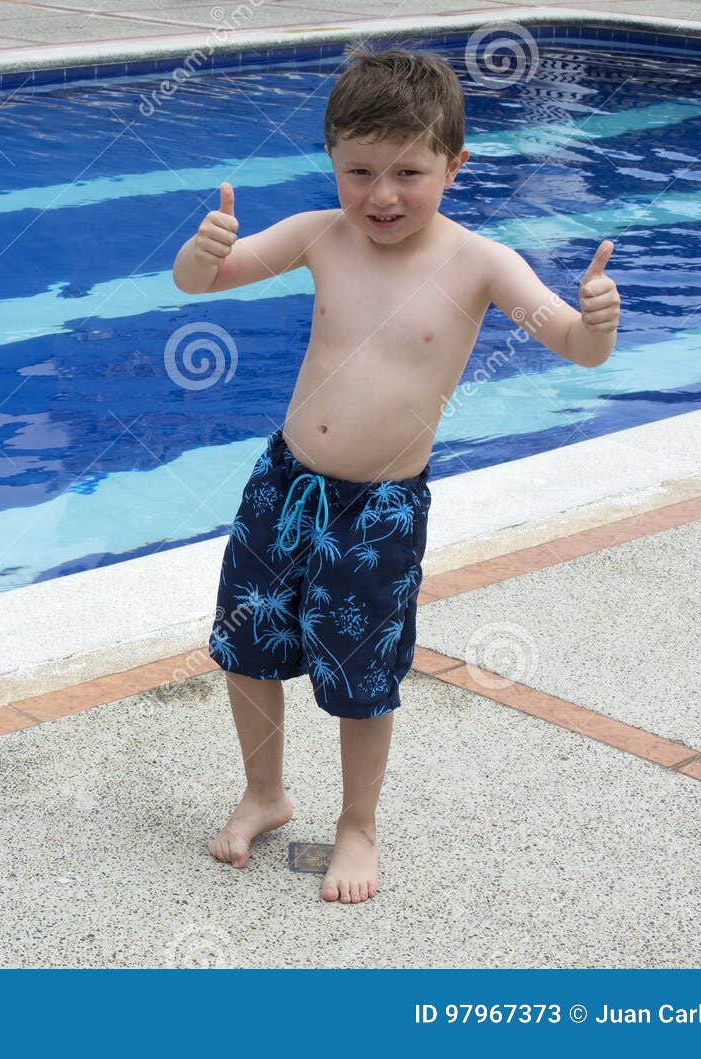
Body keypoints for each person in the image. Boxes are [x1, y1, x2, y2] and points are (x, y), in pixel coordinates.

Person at [171, 45, 620, 904]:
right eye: (359, 171)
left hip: (378, 512)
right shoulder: (320, 234)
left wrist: (596, 320)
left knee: (362, 675)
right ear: (332, 162)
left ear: (455, 165)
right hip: (283, 484)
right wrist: (203, 249)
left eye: (409, 173)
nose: (381, 195)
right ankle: (264, 792)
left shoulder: (482, 264)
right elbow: (201, 282)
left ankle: (358, 824)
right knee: (247, 648)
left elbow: (576, 345)